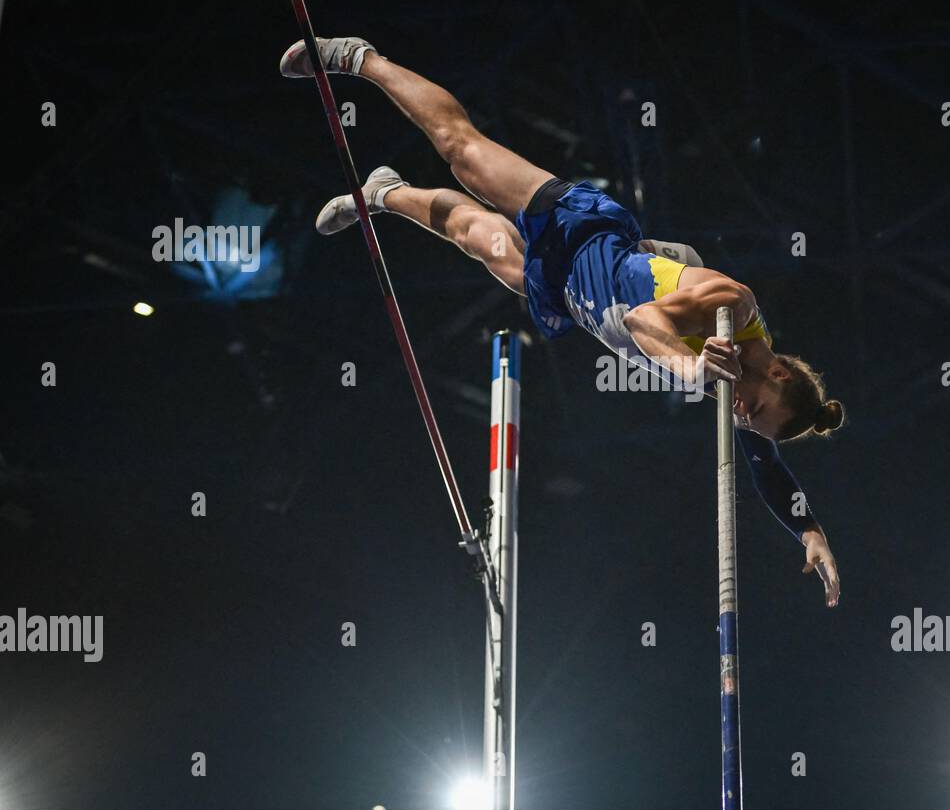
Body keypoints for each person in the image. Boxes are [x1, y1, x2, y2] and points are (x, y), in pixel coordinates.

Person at [280, 37, 844, 606]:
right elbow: (644, 317)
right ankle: (359, 58)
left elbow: (767, 469)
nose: (743, 417)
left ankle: (384, 192)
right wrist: (686, 367)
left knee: (474, 239)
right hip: (584, 232)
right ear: (776, 374)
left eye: (751, 423)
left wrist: (810, 532)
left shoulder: (736, 393)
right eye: (758, 410)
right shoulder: (734, 308)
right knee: (461, 150)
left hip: (573, 295)